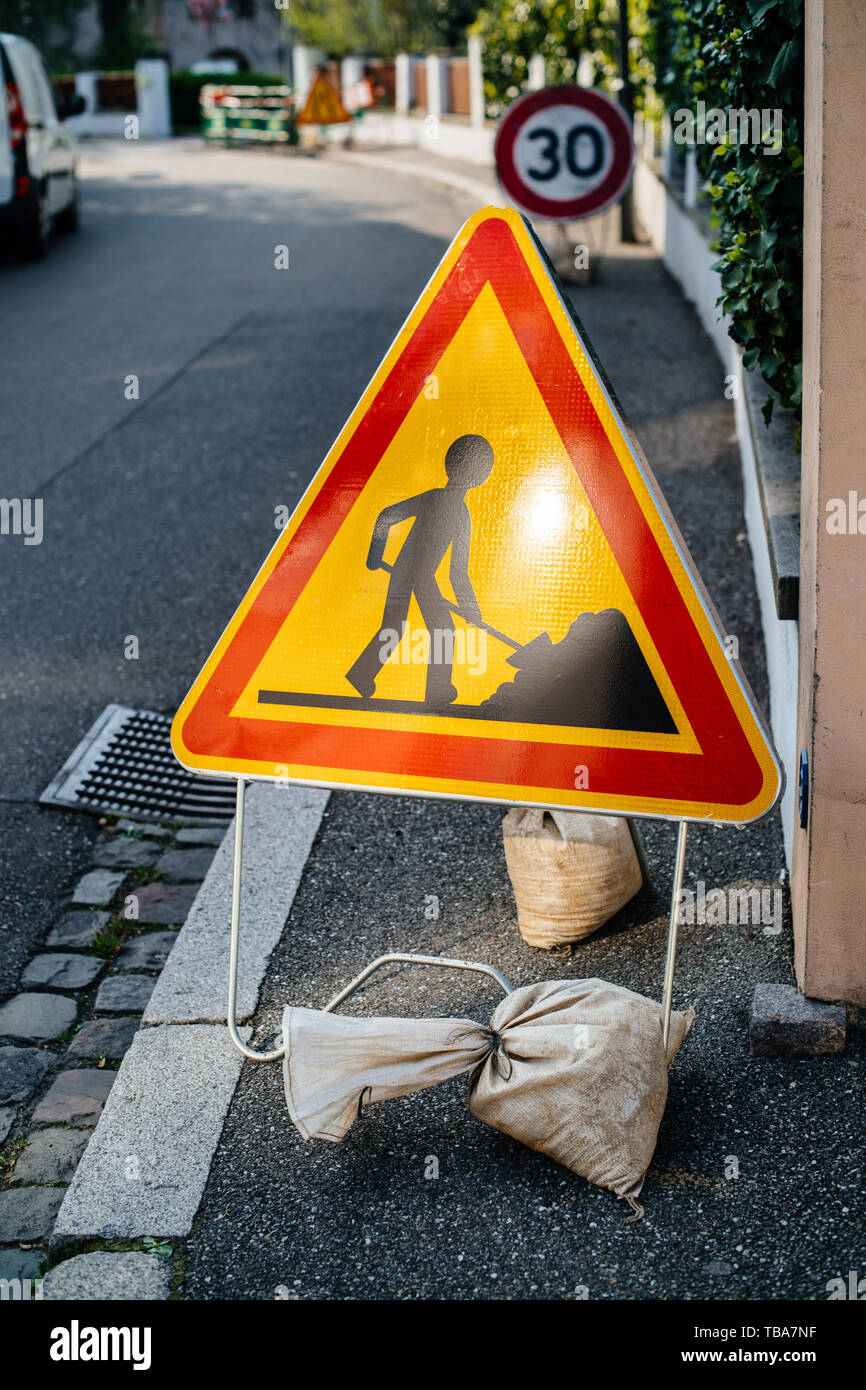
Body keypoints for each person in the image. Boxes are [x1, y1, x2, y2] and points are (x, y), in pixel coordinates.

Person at [346, 434, 494, 707]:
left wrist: (375, 555)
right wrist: (470, 608)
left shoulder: (447, 506)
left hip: (407, 571)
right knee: (442, 629)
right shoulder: (458, 513)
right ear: (479, 476)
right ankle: (436, 691)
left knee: (394, 627)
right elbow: (387, 517)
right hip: (419, 576)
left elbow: (456, 571)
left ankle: (361, 674)